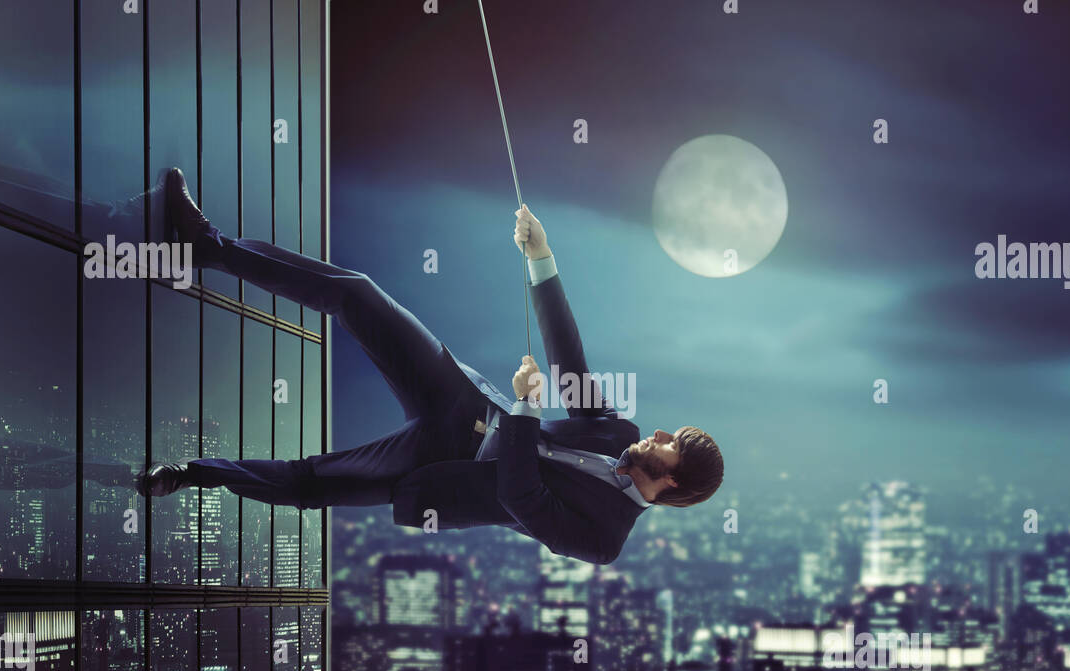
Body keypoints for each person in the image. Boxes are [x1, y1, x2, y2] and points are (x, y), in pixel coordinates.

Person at [137, 169, 723, 565]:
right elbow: (569, 359)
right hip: (464, 403)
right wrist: (543, 258)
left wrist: (524, 407)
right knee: (359, 294)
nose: (661, 435)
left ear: (674, 482)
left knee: (310, 481)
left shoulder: (605, 538)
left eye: (673, 446)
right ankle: (208, 246)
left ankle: (194, 473)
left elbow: (520, 497)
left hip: (441, 472)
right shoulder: (618, 434)